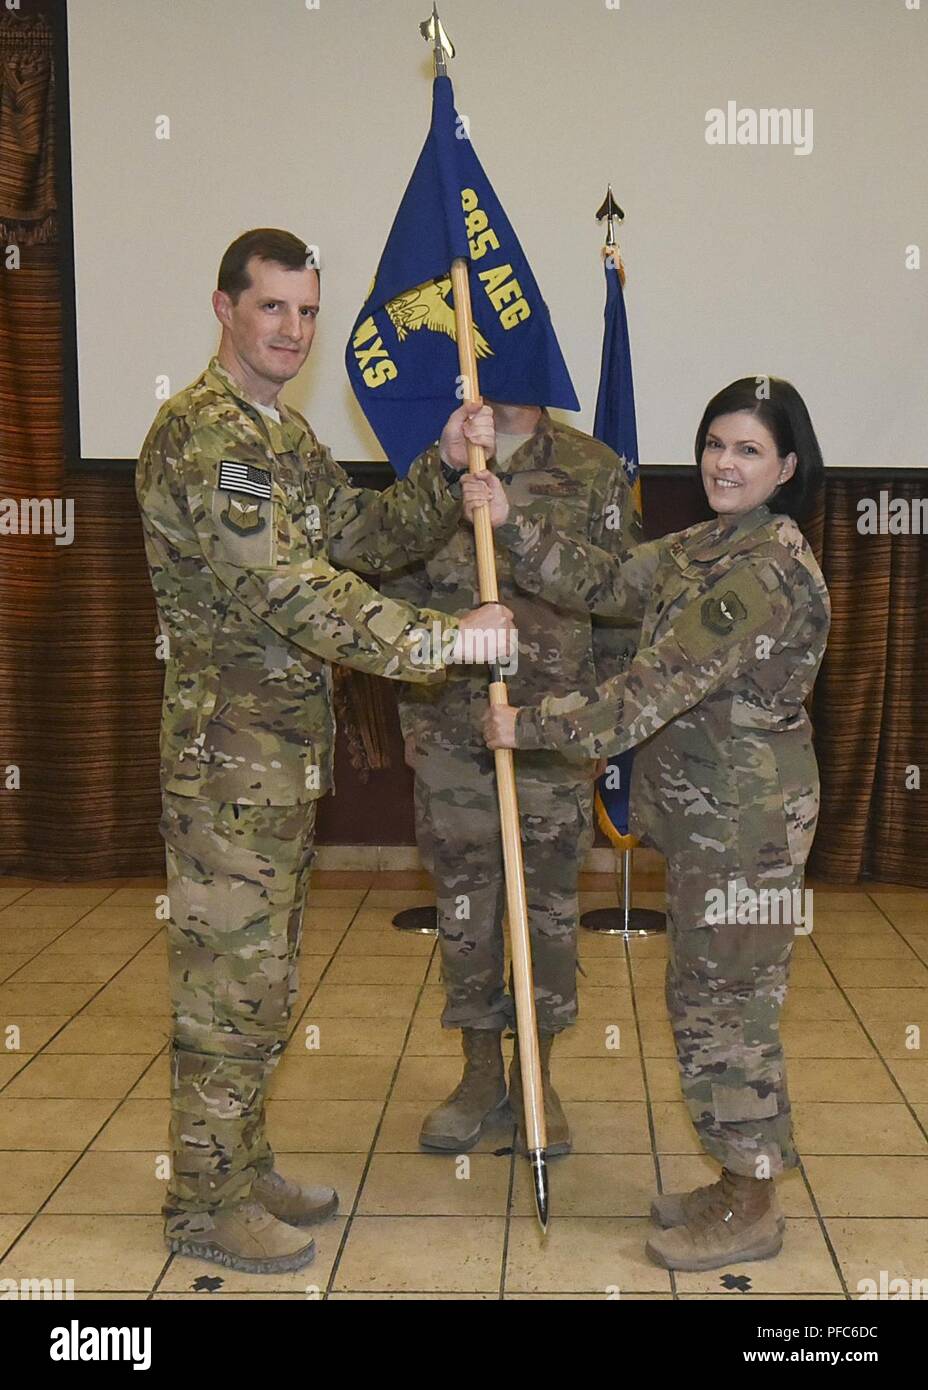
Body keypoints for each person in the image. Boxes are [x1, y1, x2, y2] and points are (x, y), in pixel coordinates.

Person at [136, 228, 513, 1274]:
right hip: (228, 769)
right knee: (227, 986)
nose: (293, 331)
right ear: (223, 308)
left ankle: (238, 1159)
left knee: (261, 978)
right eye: (272, 309)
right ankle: (202, 1204)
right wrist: (447, 639)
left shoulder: (283, 438)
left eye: (307, 311)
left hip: (277, 762)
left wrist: (441, 474)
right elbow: (292, 590)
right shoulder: (206, 439)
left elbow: (354, 539)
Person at [466, 377, 830, 1272]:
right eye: (714, 443)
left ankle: (752, 1205)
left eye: (748, 450)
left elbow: (651, 688)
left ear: (786, 467)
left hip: (749, 831)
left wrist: (534, 726)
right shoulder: (708, 544)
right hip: (711, 823)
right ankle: (736, 1180)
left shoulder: (763, 571)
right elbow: (603, 578)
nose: (723, 462)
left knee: (729, 1013)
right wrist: (509, 516)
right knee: (709, 1003)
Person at [382, 402, 641, 1155]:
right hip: (450, 726)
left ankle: (538, 1076)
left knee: (548, 912)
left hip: (554, 729)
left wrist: (604, 723)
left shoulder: (593, 468)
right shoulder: (443, 458)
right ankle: (477, 1077)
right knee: (466, 911)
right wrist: (411, 719)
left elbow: (622, 604)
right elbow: (404, 601)